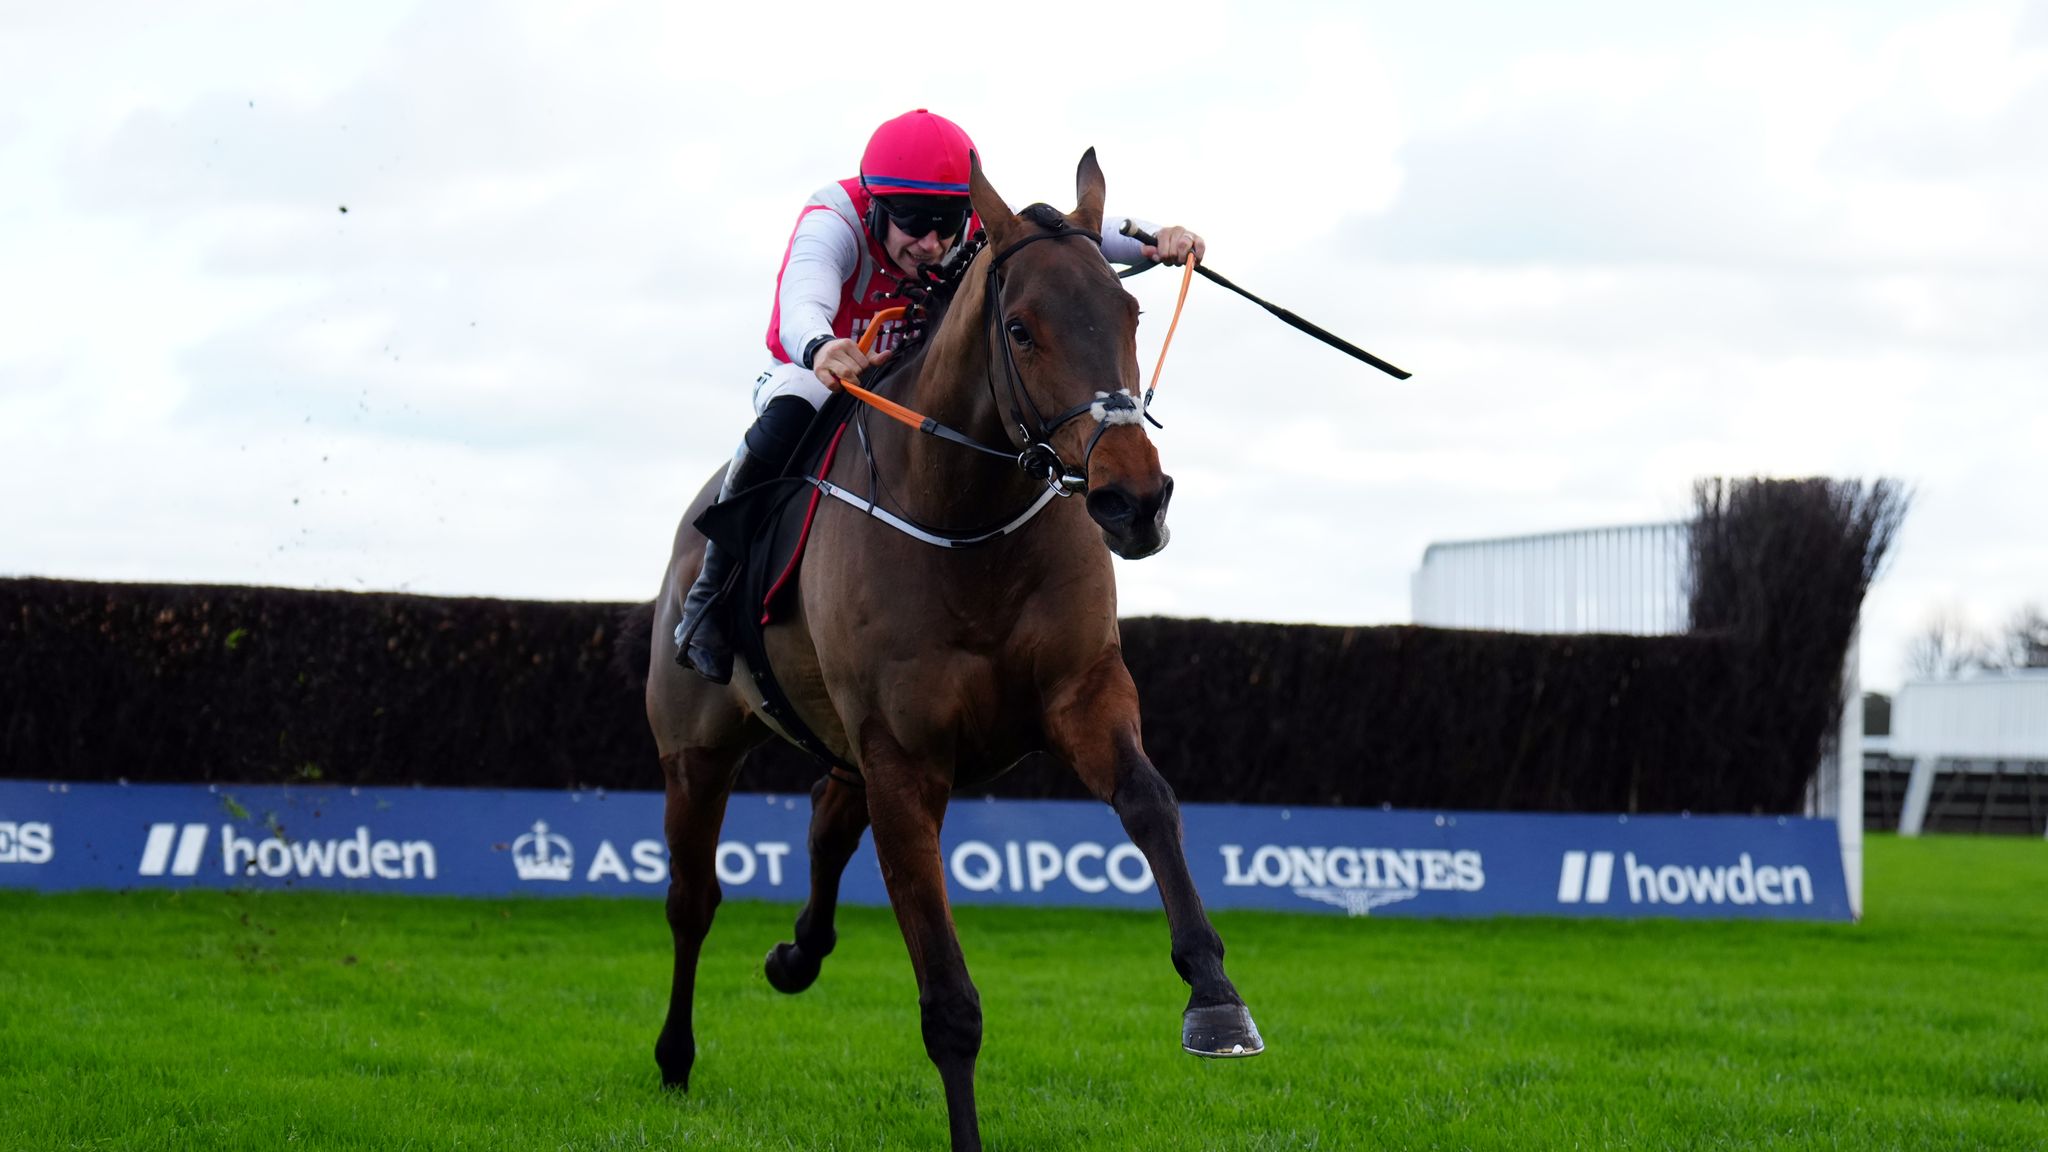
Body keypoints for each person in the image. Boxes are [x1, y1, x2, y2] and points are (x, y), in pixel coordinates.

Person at [676, 109, 1205, 682]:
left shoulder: (972, 226)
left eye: (946, 224)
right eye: (913, 223)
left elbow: (1072, 234)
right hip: (827, 367)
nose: (931, 243)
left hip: (918, 378)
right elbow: (802, 303)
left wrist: (1158, 238)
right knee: (792, 408)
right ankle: (709, 592)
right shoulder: (833, 218)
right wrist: (822, 346)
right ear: (876, 205)